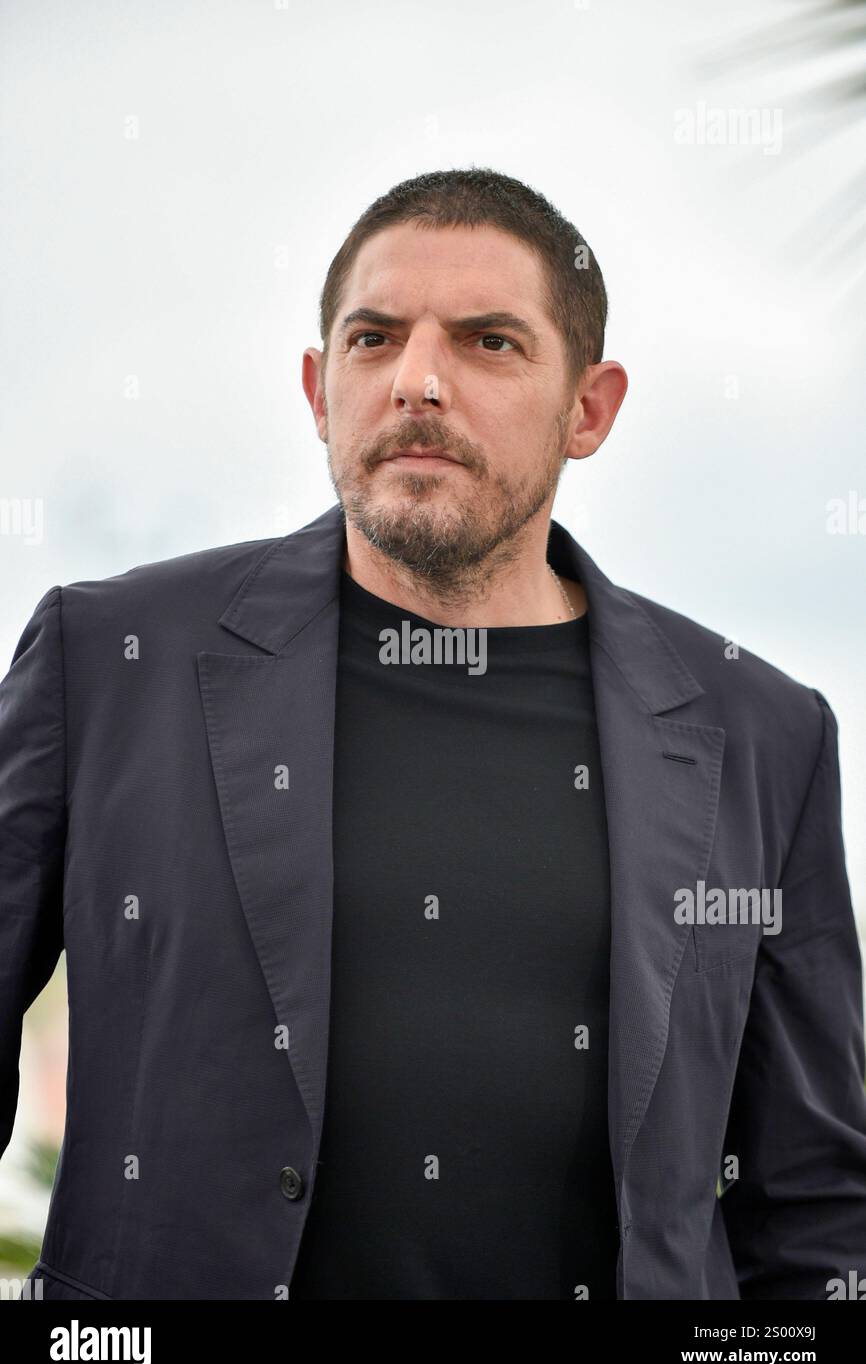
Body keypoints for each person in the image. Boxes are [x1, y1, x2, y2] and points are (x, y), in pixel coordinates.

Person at [2, 168, 864, 1300]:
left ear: (588, 409)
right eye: (372, 338)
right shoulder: (109, 661)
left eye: (487, 342)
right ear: (318, 391)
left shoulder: (757, 730)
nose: (416, 382)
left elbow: (811, 1208)